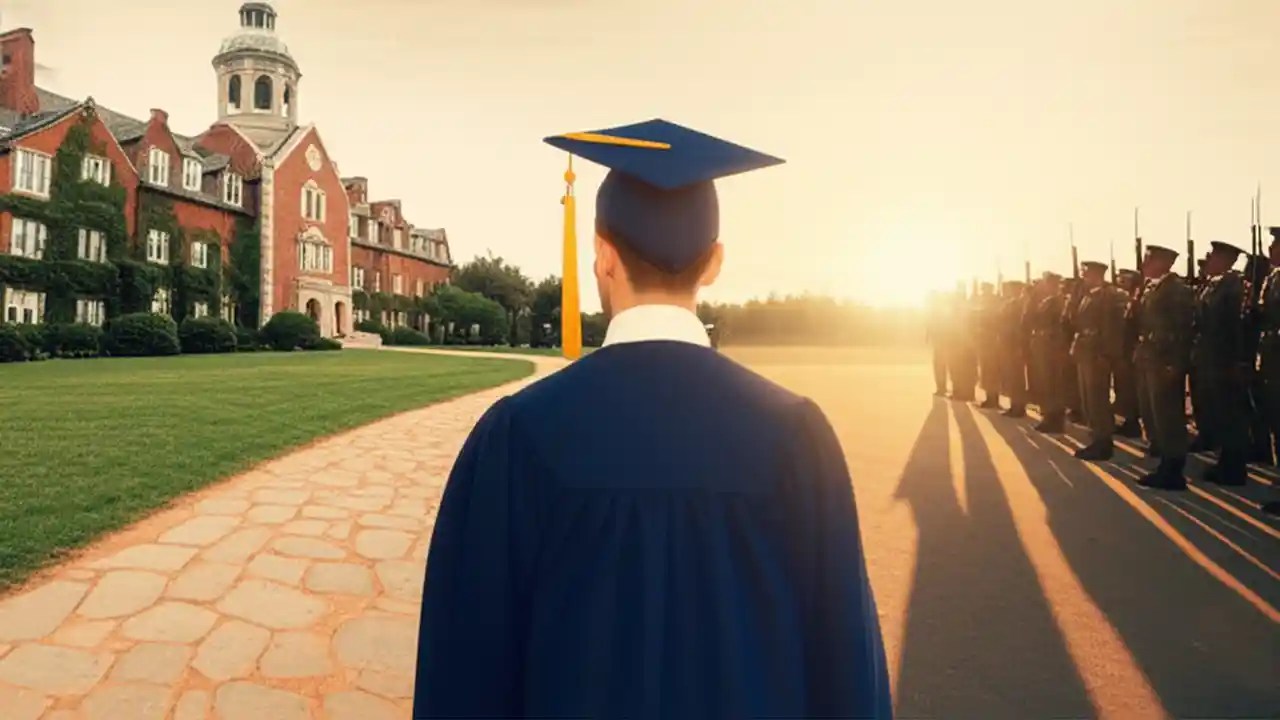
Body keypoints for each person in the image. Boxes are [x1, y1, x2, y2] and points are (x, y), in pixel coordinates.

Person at [412, 119, 892, 719]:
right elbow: (846, 670)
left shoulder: (519, 435)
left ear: (602, 256)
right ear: (714, 263)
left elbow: (464, 675)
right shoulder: (795, 434)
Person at [1134, 245, 1196, 490]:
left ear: (1164, 262)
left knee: (1170, 415)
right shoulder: (1155, 288)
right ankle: (1166, 464)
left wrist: (1175, 363)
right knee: (1158, 413)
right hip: (1153, 358)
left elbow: (1183, 330)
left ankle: (1174, 469)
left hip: (1166, 360)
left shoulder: (1176, 290)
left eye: (1150, 259)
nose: (1145, 263)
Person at [1193, 242, 1249, 485]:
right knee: (1219, 413)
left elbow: (1237, 327)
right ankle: (1225, 462)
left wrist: (1237, 360)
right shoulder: (1214, 286)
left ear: (1227, 260)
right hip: (1211, 358)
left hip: (1224, 359)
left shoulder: (1232, 287)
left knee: (1230, 416)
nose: (1209, 260)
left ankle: (1233, 468)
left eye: (1214, 257)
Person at [1071, 261, 1123, 460]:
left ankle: (1103, 443)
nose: (1083, 276)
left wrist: (1106, 355)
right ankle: (1096, 438)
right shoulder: (1088, 295)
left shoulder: (1108, 296)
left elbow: (1112, 329)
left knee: (1098, 400)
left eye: (1086, 273)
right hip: (1086, 353)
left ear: (1096, 274)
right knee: (1089, 400)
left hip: (1097, 354)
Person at [1031, 272, 1067, 433]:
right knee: (1046, 384)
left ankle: (1055, 420)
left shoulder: (1058, 301)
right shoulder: (1047, 300)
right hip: (1045, 347)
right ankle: (1049, 417)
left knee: (1053, 385)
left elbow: (1061, 325)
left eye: (1044, 283)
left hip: (1052, 348)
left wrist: (1052, 339)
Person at [1112, 269, 1143, 438]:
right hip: (1121, 350)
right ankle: (1129, 420)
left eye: (1125, 280)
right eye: (1120, 279)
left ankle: (1133, 423)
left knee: (1131, 389)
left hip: (1131, 351)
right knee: (1122, 388)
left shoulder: (1136, 300)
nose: (1121, 282)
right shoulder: (1122, 300)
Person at [999, 280, 1029, 417]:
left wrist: (1019, 345)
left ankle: (1019, 407)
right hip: (1007, 344)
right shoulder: (1010, 303)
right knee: (1011, 376)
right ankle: (1014, 405)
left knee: (1017, 378)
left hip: (1015, 344)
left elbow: (1020, 327)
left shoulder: (1021, 305)